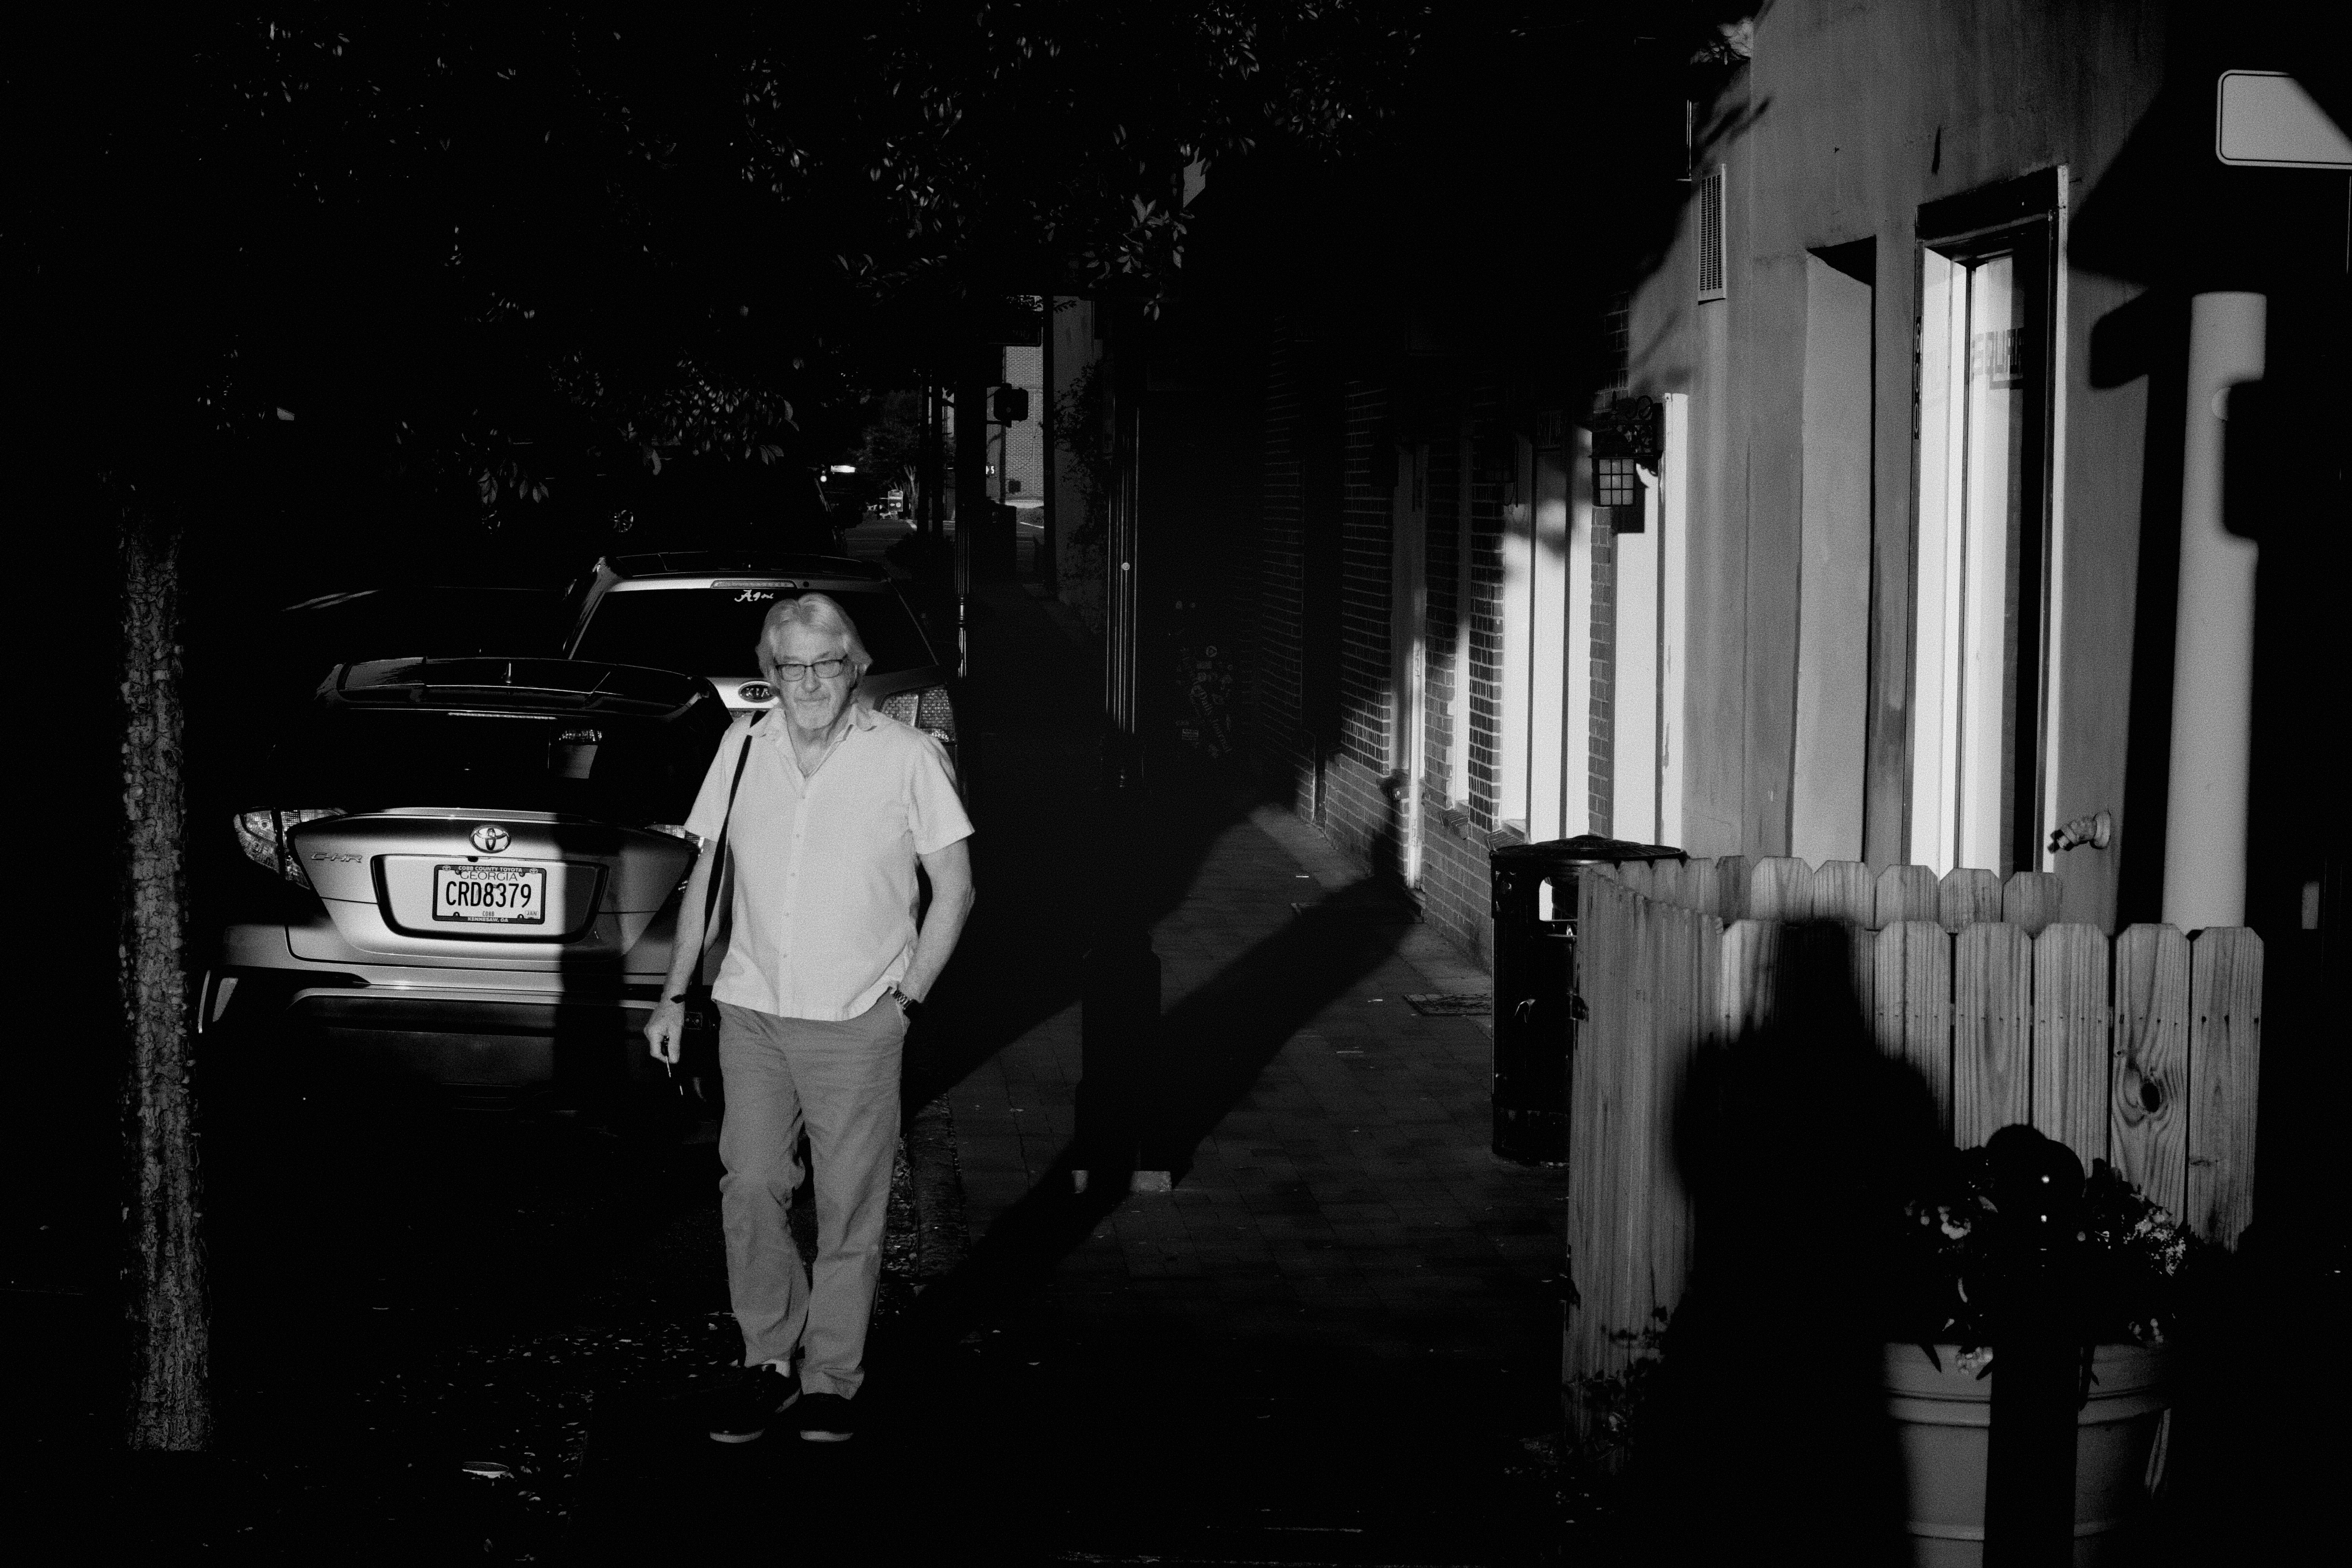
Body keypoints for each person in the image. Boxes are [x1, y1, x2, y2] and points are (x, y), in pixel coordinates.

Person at [644, 592, 975, 1444]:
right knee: (751, 1184)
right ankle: (767, 1362)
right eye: (789, 667)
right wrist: (674, 991)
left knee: (849, 1204)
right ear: (771, 674)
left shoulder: (906, 757)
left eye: (826, 663)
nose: (808, 682)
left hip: (857, 1016)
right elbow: (706, 883)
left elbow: (957, 889)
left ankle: (831, 1375)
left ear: (854, 666)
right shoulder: (741, 748)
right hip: (752, 1010)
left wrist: (906, 1000)